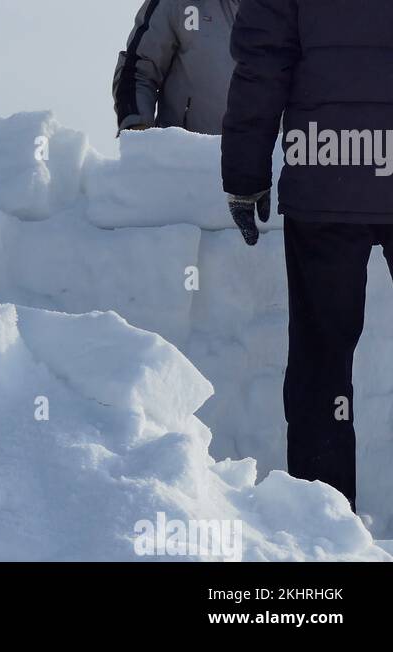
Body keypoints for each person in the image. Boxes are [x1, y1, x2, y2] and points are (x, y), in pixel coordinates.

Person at [221, 0, 393, 513]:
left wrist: (245, 176)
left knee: (322, 362)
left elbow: (261, 64)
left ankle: (325, 522)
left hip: (325, 179)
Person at [113, 0, 240, 135]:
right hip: (185, 151)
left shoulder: (264, 11)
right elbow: (137, 70)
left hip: (257, 152)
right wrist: (138, 129)